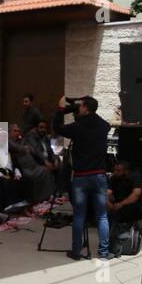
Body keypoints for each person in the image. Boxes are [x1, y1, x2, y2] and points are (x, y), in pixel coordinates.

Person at [53, 95, 111, 260]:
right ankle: (104, 252)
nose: (79, 108)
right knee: (102, 215)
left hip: (81, 177)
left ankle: (76, 251)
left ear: (85, 108)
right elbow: (104, 124)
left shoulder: (78, 127)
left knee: (79, 215)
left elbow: (57, 128)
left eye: (81, 106)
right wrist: (88, 109)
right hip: (99, 175)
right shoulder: (103, 126)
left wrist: (61, 109)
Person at [107, 159, 142, 227]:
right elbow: (108, 193)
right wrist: (109, 203)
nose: (115, 172)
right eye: (114, 170)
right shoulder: (113, 178)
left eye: (118, 171)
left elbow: (136, 194)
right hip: (117, 205)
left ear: (126, 171)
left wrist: (121, 204)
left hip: (130, 205)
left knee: (132, 208)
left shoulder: (135, 177)